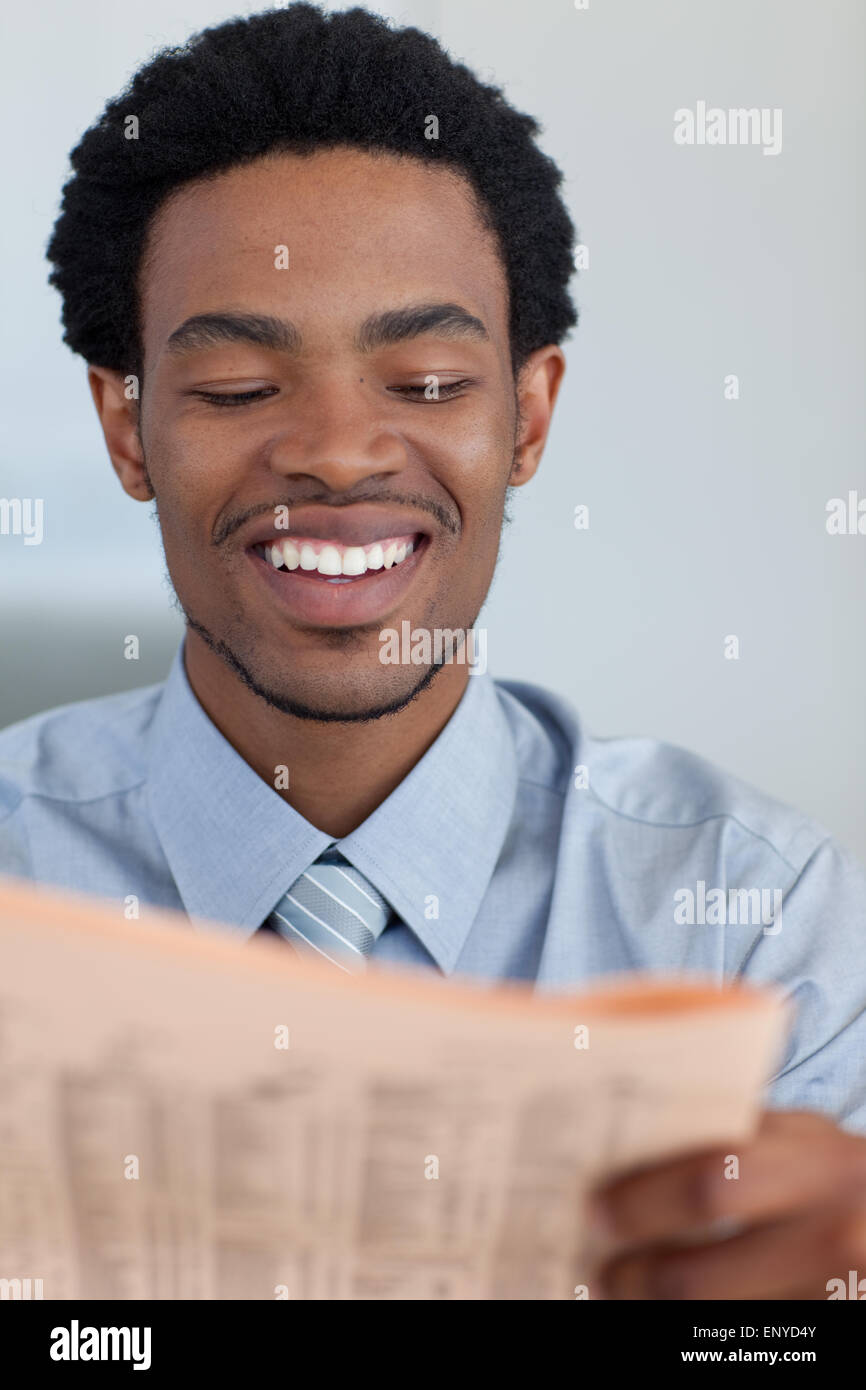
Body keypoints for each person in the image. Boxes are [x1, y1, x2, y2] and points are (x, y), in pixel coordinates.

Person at [1, 4, 864, 1300]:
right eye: (239, 388)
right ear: (128, 429)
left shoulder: (759, 924)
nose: (339, 453)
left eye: (422, 383)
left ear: (527, 417)